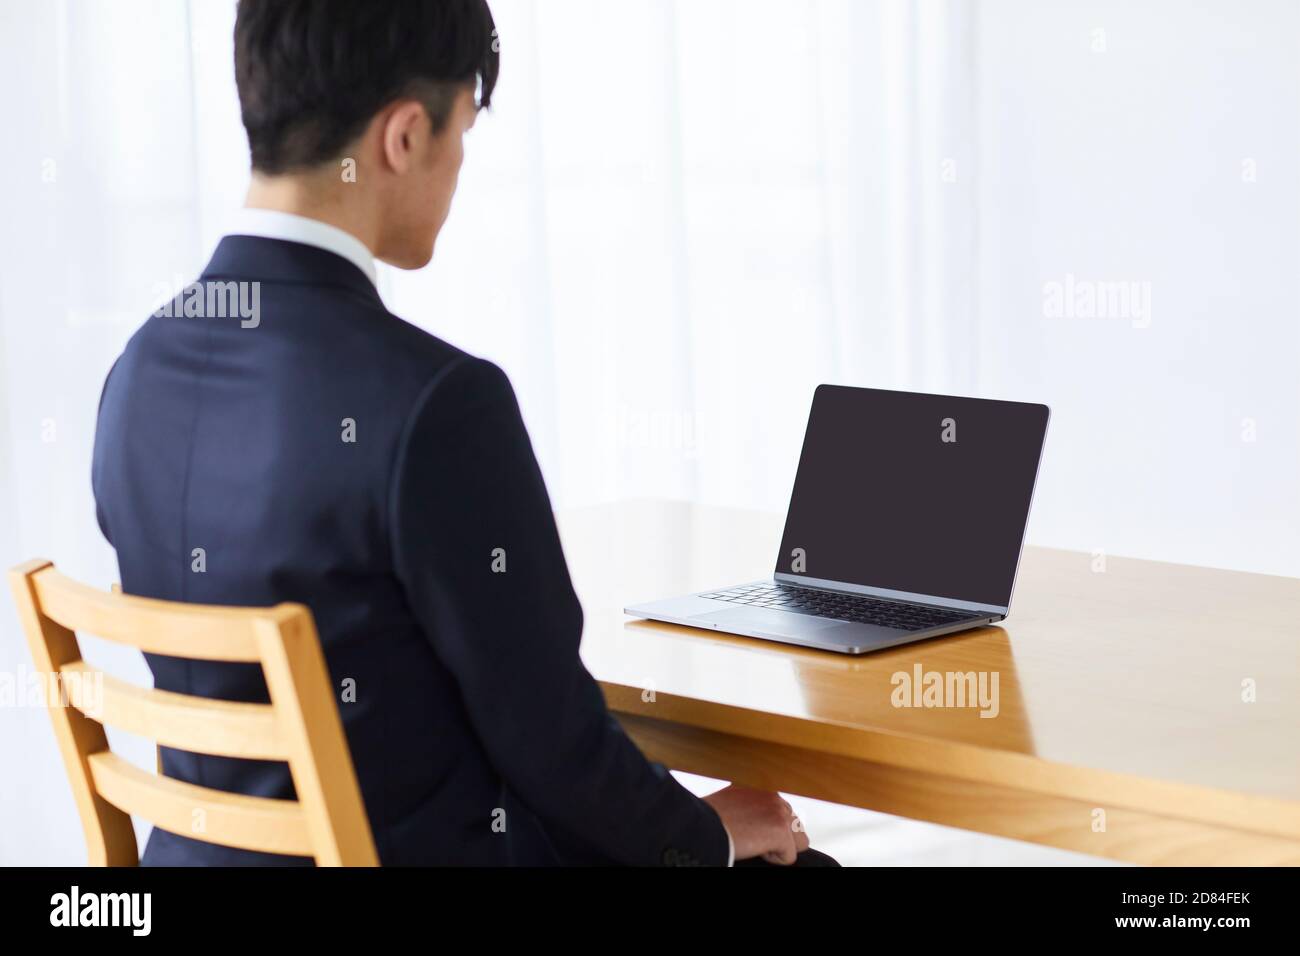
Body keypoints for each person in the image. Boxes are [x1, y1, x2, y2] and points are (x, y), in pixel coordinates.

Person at [92, 0, 829, 866]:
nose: (459, 168)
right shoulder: (439, 403)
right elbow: (555, 744)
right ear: (404, 137)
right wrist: (711, 833)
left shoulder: (137, 373)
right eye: (463, 135)